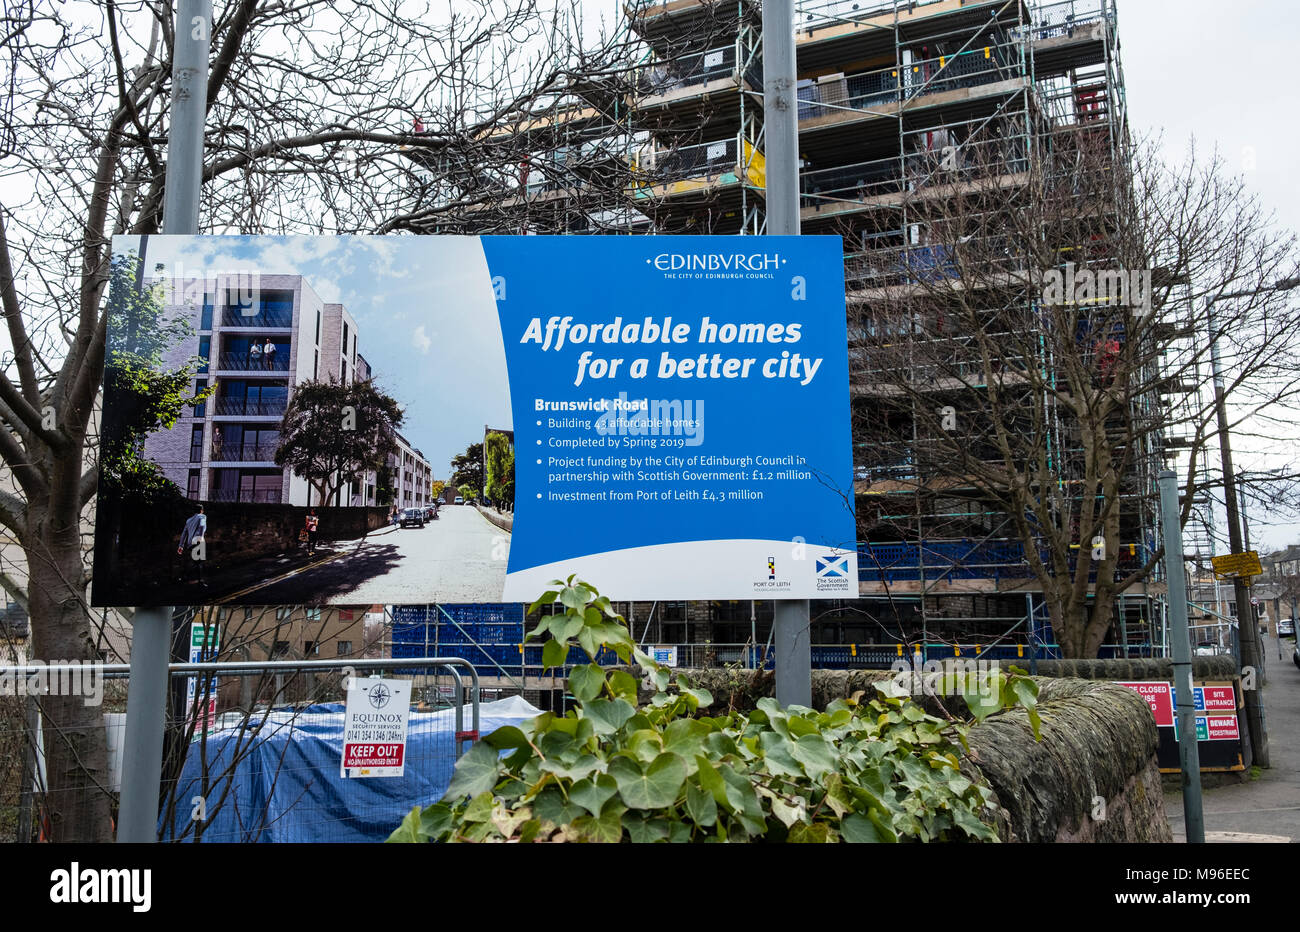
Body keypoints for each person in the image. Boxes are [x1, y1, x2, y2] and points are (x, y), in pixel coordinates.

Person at [177, 504, 207, 586]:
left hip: (190, 543)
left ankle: (195, 579)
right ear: (201, 510)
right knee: (199, 562)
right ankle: (187, 577)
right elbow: (202, 526)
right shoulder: (202, 516)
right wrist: (200, 537)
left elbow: (184, 533)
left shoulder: (188, 520)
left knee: (196, 561)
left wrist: (181, 546)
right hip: (198, 541)